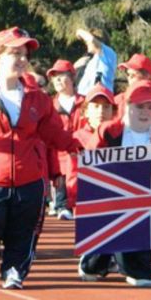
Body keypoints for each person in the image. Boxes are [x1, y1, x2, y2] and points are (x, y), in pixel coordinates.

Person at [0, 26, 79, 289]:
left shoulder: (38, 99)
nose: (21, 59)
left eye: (25, 53)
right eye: (15, 53)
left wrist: (75, 147)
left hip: (30, 178)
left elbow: (53, 131)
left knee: (23, 229)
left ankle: (14, 269)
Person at [75, 81, 151, 287]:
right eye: (139, 106)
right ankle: (92, 261)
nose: (145, 112)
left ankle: (130, 264)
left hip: (144, 203)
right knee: (94, 264)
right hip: (109, 200)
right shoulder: (108, 131)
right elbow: (88, 167)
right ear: (127, 105)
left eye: (150, 107)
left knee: (143, 277)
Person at [46, 60, 84, 220]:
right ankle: (60, 205)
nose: (58, 81)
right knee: (61, 181)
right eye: (55, 78)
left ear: (72, 78)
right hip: (58, 156)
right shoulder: (49, 104)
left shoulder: (85, 102)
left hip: (80, 153)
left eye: (61, 76)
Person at [75, 28, 117, 96]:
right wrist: (75, 66)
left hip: (100, 96)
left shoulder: (108, 53)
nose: (87, 44)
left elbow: (91, 40)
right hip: (84, 97)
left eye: (87, 42)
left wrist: (79, 31)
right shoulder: (91, 59)